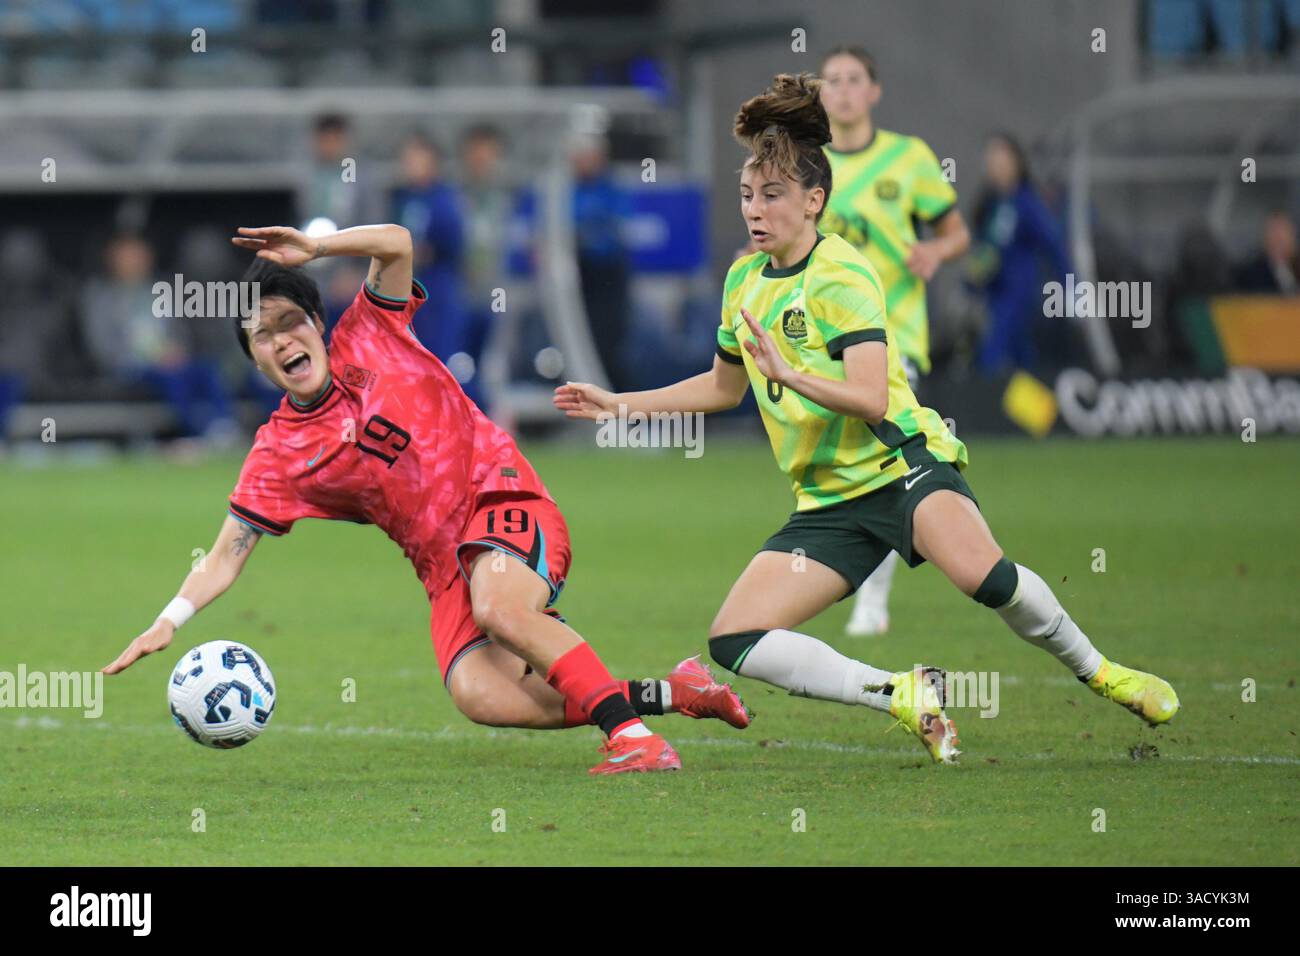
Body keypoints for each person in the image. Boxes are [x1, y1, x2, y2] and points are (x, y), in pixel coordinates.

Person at [555, 74, 1179, 765]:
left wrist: (791, 375)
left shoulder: (842, 274)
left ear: (813, 201)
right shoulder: (742, 281)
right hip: (828, 500)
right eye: (747, 195)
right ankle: (899, 692)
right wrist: (620, 404)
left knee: (987, 581)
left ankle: (1101, 672)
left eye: (772, 195)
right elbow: (724, 388)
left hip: (900, 467)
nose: (755, 210)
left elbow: (871, 398)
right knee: (734, 639)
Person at [102, 223, 749, 776]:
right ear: (254, 358)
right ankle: (676, 691)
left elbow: (397, 242)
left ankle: (634, 740)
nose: (282, 340)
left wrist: (318, 248)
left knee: (499, 608)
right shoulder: (279, 453)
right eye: (262, 335)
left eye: (290, 321)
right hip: (443, 569)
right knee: (483, 695)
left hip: (502, 495)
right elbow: (225, 554)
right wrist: (169, 621)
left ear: (317, 324)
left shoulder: (371, 329)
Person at [818, 46, 971, 637]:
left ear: (874, 91)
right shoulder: (808, 164)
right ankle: (837, 572)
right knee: (839, 464)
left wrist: (935, 250)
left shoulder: (909, 158)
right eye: (833, 80)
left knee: (879, 459)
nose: (843, 90)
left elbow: (956, 233)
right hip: (823, 337)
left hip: (893, 335)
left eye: (854, 79)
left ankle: (871, 599)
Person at [966, 132, 1071, 376]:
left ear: (1016, 162)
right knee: (1012, 358)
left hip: (1020, 296)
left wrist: (1071, 286)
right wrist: (969, 285)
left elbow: (1053, 245)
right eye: (991, 160)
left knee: (1000, 355)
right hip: (995, 296)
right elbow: (985, 251)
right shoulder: (991, 205)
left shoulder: (1026, 203)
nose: (995, 166)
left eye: (1001, 159)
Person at [1234, 211, 1298, 295]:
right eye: (1274, 231)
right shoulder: (1251, 274)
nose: (1278, 238)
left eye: (1283, 232)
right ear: (1264, 237)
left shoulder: (1296, 267)